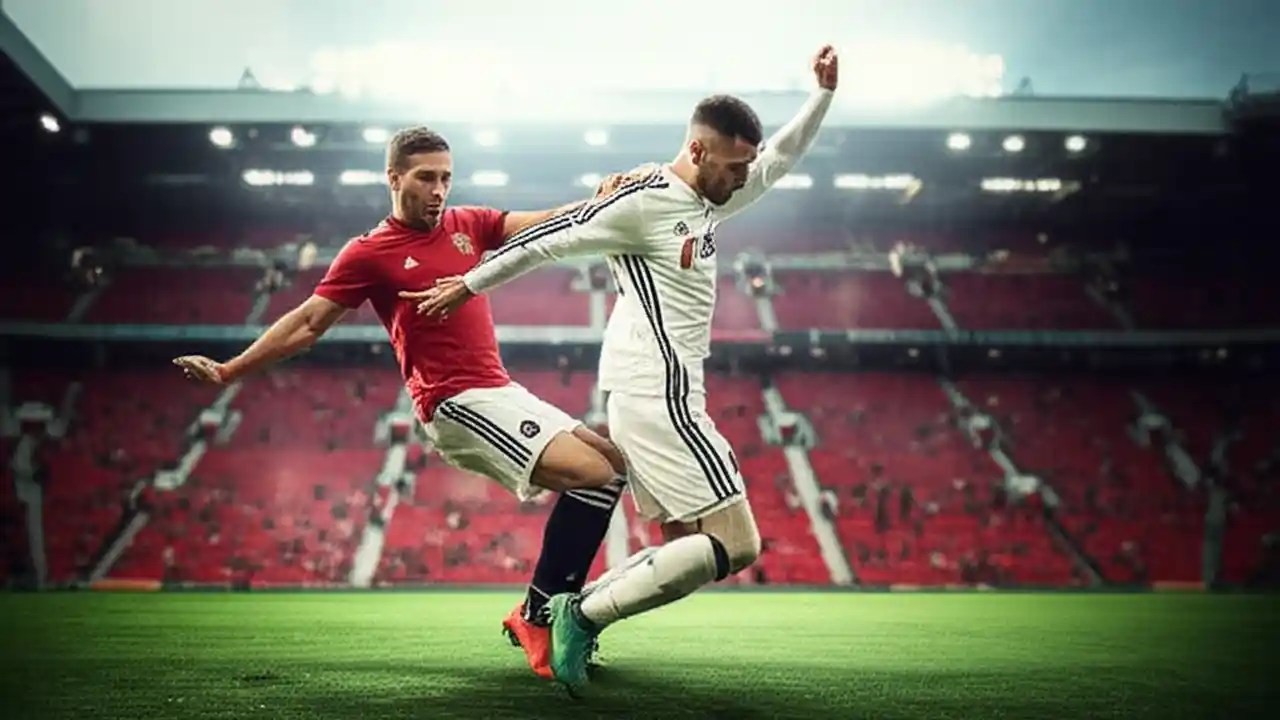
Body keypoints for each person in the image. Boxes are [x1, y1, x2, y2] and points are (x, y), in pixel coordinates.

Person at [412, 46, 839, 690]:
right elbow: (553, 236)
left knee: (688, 546)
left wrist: (821, 98)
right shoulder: (644, 200)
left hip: (663, 391)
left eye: (742, 165)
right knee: (739, 543)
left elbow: (775, 162)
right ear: (697, 152)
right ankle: (575, 615)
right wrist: (469, 284)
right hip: (660, 395)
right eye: (732, 165)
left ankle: (556, 616)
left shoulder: (707, 199)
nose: (741, 177)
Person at [173, 126, 638, 679]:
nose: (439, 190)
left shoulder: (468, 224)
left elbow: (536, 223)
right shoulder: (368, 253)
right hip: (453, 400)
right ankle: (543, 615)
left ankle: (542, 613)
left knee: (612, 470)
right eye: (426, 178)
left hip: (501, 389)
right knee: (589, 472)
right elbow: (307, 323)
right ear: (394, 178)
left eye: (445, 177)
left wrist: (603, 199)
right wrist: (230, 370)